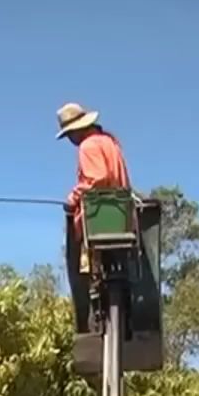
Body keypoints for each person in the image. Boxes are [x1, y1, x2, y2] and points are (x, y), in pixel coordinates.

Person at [56, 102, 131, 273]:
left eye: (69, 134)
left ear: (76, 130)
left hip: (100, 220)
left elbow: (96, 178)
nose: (70, 139)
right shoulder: (110, 142)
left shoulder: (88, 145)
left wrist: (72, 199)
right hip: (122, 218)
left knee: (79, 264)